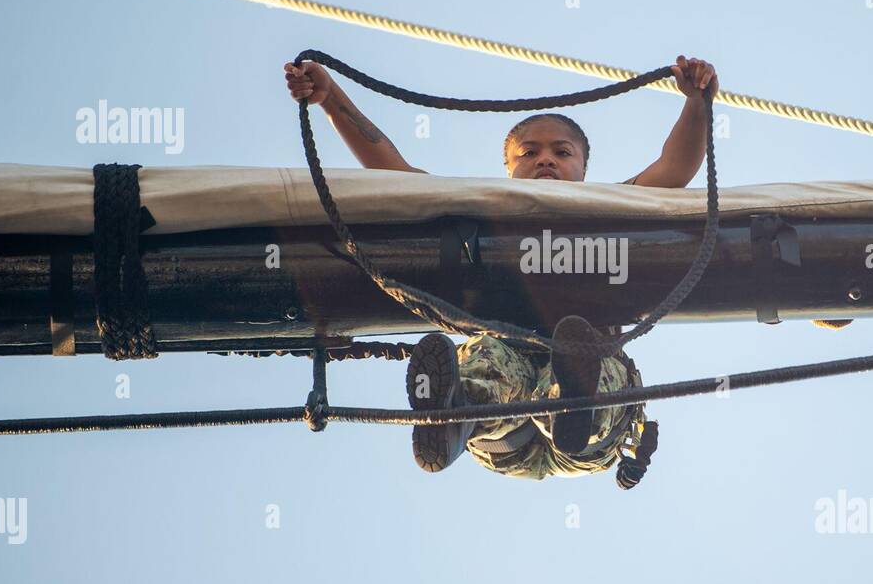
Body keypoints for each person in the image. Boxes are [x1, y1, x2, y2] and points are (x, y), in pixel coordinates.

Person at [284, 55, 718, 481]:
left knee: (589, 362)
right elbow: (396, 176)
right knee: (489, 356)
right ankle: (455, 411)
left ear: (583, 168)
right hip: (504, 432)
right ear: (509, 169)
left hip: (587, 436)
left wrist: (695, 103)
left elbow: (673, 170)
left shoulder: (613, 207)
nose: (545, 159)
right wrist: (331, 99)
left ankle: (567, 402)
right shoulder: (480, 214)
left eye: (561, 152)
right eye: (529, 152)